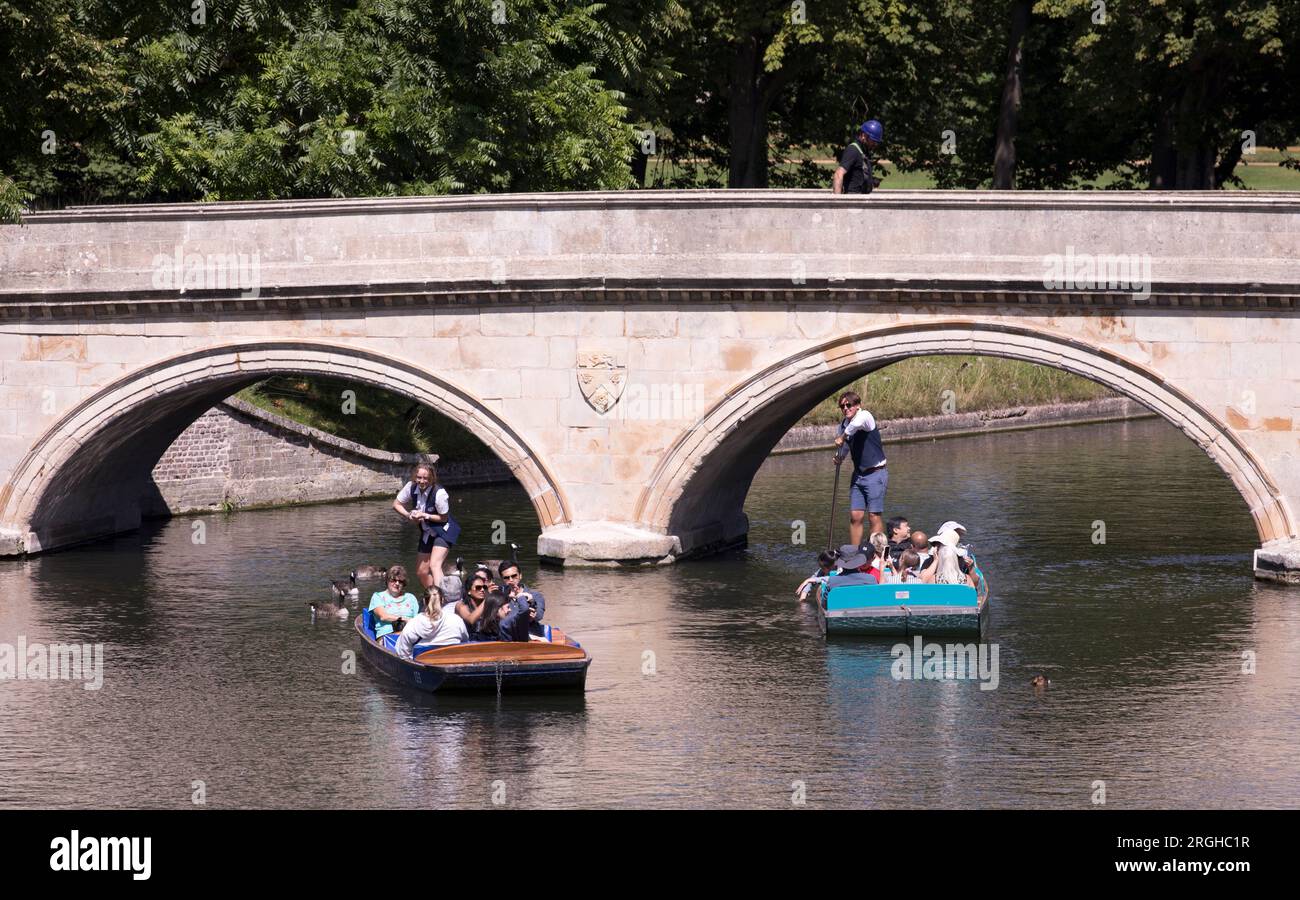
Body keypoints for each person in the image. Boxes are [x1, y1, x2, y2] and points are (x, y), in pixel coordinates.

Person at [832, 390, 888, 547]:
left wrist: (842, 437)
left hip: (876, 474)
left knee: (874, 516)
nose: (845, 408)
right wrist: (840, 457)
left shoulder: (865, 417)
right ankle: (855, 553)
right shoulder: (842, 425)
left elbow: (854, 427)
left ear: (857, 406)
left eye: (849, 405)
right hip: (858, 476)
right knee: (855, 516)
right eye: (842, 406)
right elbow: (844, 447)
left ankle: (878, 554)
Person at [393, 463, 460, 592]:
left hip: (444, 530)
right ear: (415, 476)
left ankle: (442, 600)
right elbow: (396, 504)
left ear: (432, 479)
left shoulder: (439, 493)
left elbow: (444, 518)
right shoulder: (411, 487)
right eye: (419, 477)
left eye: (426, 478)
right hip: (427, 532)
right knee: (421, 571)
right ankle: (434, 595)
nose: (422, 481)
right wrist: (409, 515)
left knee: (435, 565)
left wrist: (425, 515)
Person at [393, 586, 469, 659]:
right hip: (451, 661)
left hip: (422, 665)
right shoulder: (456, 620)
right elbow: (465, 641)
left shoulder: (414, 623)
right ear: (442, 600)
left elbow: (401, 651)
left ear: (424, 601)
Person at [832, 120, 883, 195]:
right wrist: (838, 202)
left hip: (861, 200)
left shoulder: (863, 152)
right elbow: (838, 174)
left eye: (876, 142)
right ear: (863, 136)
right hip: (853, 201)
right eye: (873, 141)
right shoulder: (853, 150)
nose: (875, 144)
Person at [367, 566, 420, 638]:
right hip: (388, 636)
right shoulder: (378, 596)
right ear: (387, 580)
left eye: (400, 581)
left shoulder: (411, 597)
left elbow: (418, 619)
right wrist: (405, 620)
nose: (397, 583)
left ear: (404, 583)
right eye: (394, 580)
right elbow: (383, 616)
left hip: (410, 634)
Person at [497, 559, 546, 636]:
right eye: (506, 578)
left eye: (514, 576)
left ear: (520, 576)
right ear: (502, 579)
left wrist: (533, 616)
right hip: (508, 635)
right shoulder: (499, 595)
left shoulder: (535, 595)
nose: (511, 580)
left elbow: (539, 615)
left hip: (530, 633)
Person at [469, 593, 533, 643]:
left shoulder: (480, 627)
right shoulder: (506, 624)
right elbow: (524, 609)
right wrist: (520, 596)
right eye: (508, 607)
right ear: (496, 609)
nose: (510, 610)